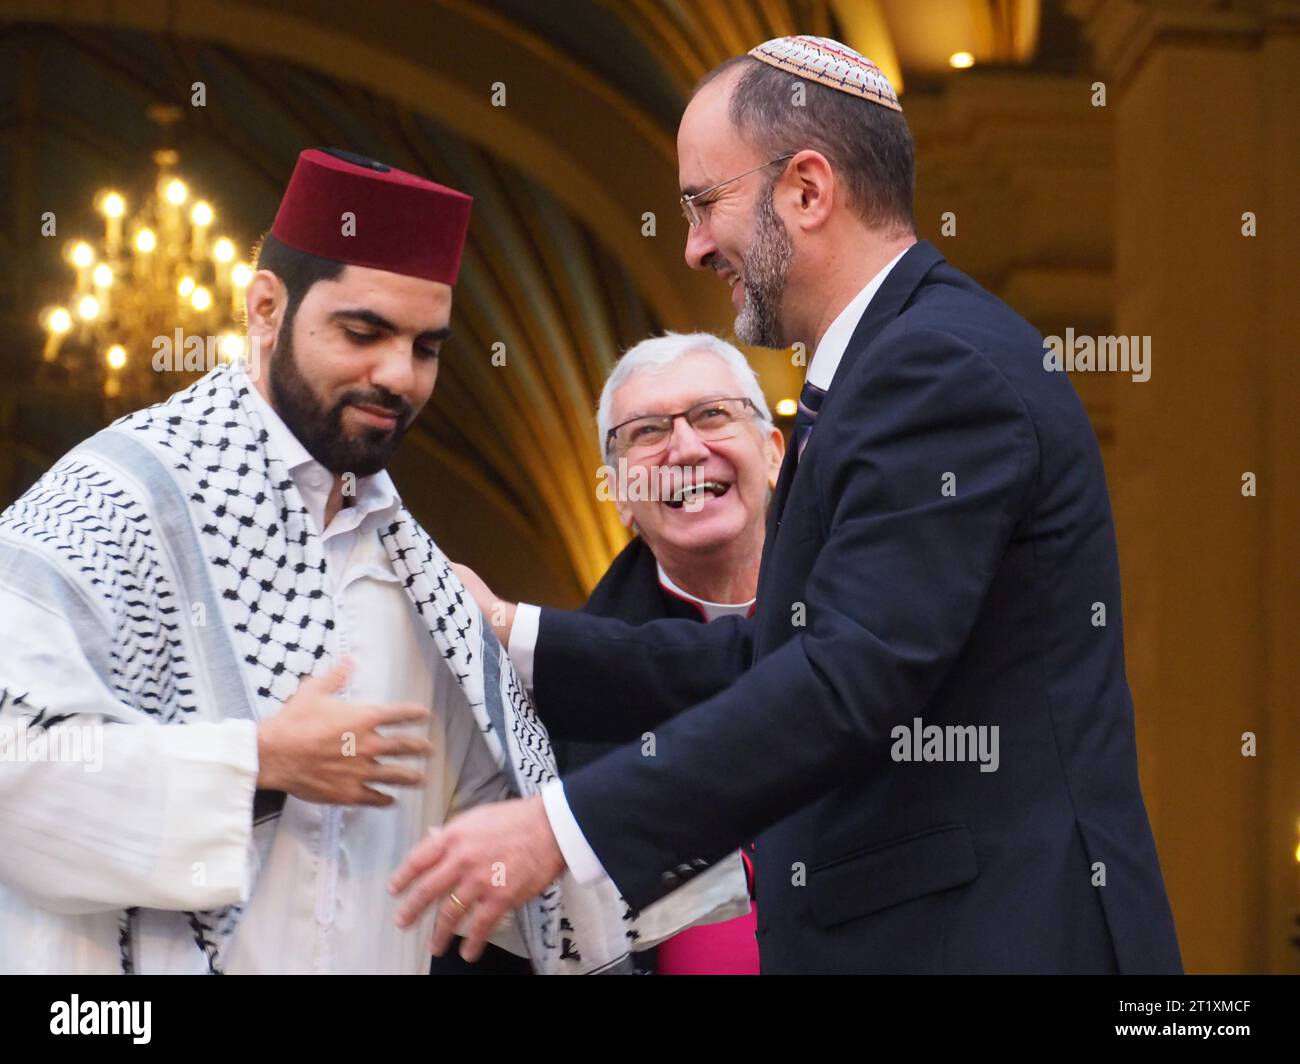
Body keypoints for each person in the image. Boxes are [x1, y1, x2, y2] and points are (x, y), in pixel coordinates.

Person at [390, 37, 1183, 975]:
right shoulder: (891, 365)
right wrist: (518, 631)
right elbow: (777, 652)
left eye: (702, 204)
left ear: (807, 190)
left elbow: (844, 680)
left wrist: (559, 827)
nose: (692, 246)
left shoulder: (934, 369)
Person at [0, 148, 739, 975]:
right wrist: (260, 763)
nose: (398, 375)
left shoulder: (417, 579)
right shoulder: (115, 503)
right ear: (266, 308)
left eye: (426, 347)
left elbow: (507, 833)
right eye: (364, 332)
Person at [443, 331, 783, 974]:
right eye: (647, 432)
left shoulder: (865, 613)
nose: (685, 447)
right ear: (619, 495)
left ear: (771, 454)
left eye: (713, 413)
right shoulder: (550, 711)